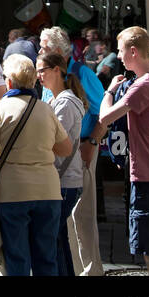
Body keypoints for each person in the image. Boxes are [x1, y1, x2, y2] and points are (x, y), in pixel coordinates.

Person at [0, 55, 71, 277]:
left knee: (16, 257)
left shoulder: (1, 108)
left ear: (10, 82)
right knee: (46, 257)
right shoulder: (45, 109)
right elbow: (65, 149)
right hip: (48, 192)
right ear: (32, 81)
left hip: (13, 193)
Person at [91, 26, 149, 277]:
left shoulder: (143, 85)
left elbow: (105, 117)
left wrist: (109, 90)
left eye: (121, 51)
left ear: (133, 52)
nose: (118, 57)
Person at [39, 26, 105, 276]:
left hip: (82, 148)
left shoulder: (82, 73)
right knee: (64, 219)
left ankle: (91, 270)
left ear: (57, 51)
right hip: (57, 156)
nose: (39, 50)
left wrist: (93, 143)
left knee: (83, 215)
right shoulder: (48, 76)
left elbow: (105, 113)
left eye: (43, 47)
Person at [37, 51, 85, 276]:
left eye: (42, 70)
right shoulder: (54, 100)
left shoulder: (65, 104)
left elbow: (57, 144)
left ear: (57, 70)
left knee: (52, 238)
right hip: (62, 180)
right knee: (58, 237)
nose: (39, 76)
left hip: (63, 180)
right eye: (37, 71)